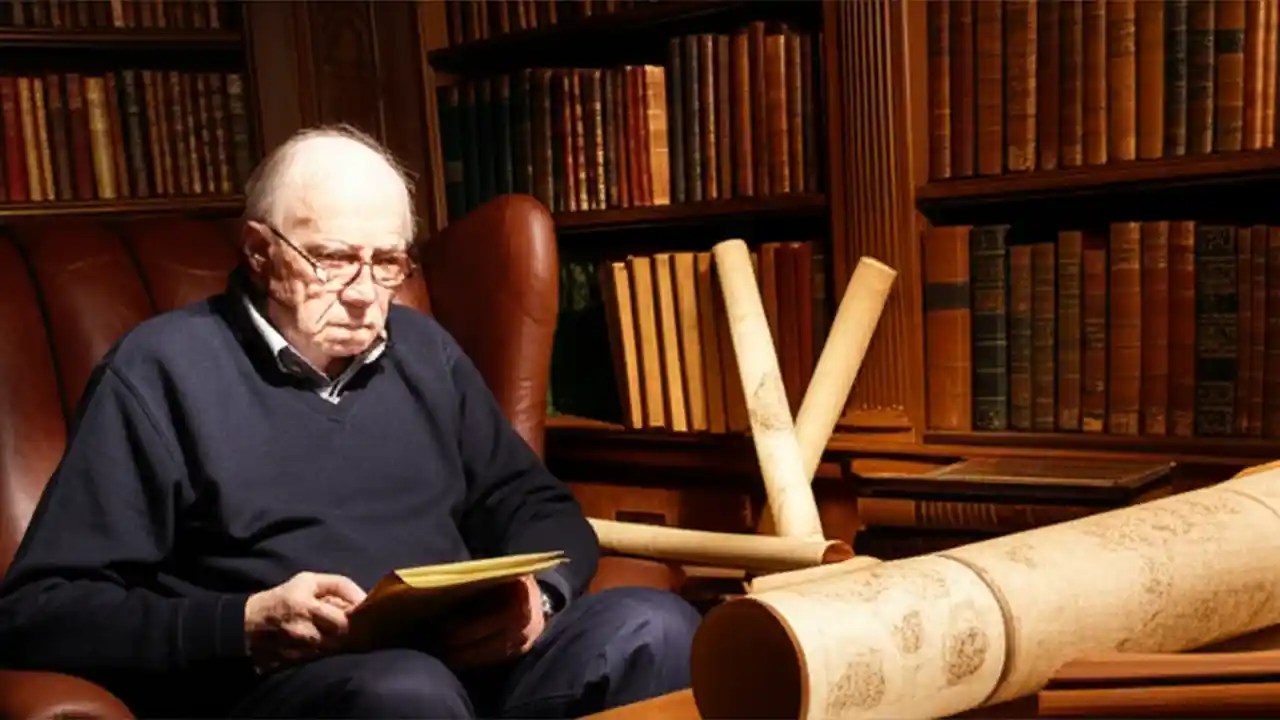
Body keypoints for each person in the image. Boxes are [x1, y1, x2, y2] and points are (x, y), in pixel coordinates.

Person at [0, 125, 701, 718]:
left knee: (656, 626)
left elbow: (537, 506)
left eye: (388, 262)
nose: (366, 294)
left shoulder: (425, 351)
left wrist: (538, 598)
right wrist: (241, 624)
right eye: (334, 260)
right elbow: (40, 612)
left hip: (467, 669)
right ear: (259, 251)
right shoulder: (160, 371)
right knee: (405, 692)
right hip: (293, 687)